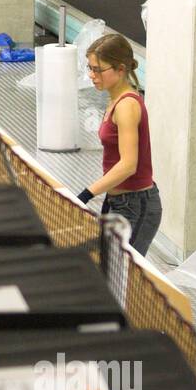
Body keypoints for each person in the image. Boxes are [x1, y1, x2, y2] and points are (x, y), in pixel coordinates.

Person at [77, 33, 162, 255]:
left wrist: (86, 194)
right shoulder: (114, 100)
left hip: (136, 205)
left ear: (120, 69)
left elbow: (128, 165)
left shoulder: (127, 106)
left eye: (98, 69)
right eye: (90, 68)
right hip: (118, 201)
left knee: (123, 276)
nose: (92, 75)